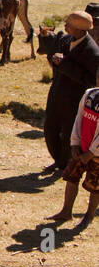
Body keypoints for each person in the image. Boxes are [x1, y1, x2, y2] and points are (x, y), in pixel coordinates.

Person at [42, 11, 99, 174]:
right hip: (56, 95)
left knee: (68, 134)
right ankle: (58, 161)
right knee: (50, 129)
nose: (65, 26)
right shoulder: (66, 40)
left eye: (69, 24)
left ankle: (64, 163)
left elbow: (90, 81)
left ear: (79, 29)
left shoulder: (92, 52)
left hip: (73, 101)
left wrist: (65, 64)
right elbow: (58, 65)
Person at [53, 85, 99, 229]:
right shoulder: (89, 94)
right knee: (71, 177)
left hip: (96, 154)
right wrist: (75, 143)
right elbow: (79, 118)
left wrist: (92, 152)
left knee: (95, 186)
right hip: (81, 148)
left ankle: (89, 216)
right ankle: (66, 211)